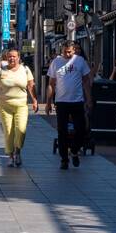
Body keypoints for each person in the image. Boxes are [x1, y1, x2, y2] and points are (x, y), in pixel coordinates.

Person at [45, 41, 92, 169]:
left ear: (74, 50)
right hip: (61, 102)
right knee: (62, 131)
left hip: (77, 101)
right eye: (65, 51)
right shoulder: (56, 62)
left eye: (70, 52)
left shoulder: (80, 61)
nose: (67, 54)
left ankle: (75, 150)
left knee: (81, 129)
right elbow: (51, 83)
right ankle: (64, 159)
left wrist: (89, 99)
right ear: (62, 50)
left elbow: (86, 81)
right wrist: (48, 102)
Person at [0, 49, 39, 167]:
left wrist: (34, 100)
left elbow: (31, 86)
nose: (11, 58)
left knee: (21, 130)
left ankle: (18, 151)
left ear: (19, 58)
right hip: (4, 105)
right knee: (8, 131)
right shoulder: (1, 71)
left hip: (21, 105)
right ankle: (11, 155)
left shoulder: (25, 70)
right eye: (9, 57)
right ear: (6, 58)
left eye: (14, 56)